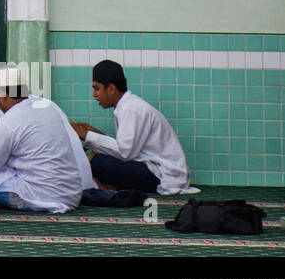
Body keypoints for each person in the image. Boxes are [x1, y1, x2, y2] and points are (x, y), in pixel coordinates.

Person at [0, 67, 91, 212]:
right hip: (71, 194)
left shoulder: (8, 121)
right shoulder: (47, 108)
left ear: (2, 96)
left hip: (41, 195)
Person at [71, 59, 197, 195]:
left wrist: (86, 135)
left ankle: (108, 185)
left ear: (111, 89)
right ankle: (110, 185)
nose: (94, 94)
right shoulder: (127, 106)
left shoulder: (131, 109)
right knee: (98, 155)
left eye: (97, 88)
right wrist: (97, 135)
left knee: (98, 162)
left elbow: (125, 153)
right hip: (155, 171)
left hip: (162, 176)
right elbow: (129, 149)